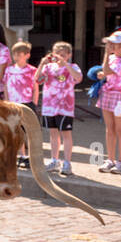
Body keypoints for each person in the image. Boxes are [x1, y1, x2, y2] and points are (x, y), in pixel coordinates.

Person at [36, 41, 81, 176]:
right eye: (57, 54)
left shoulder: (73, 67)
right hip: (49, 106)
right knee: (53, 134)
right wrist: (42, 64)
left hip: (65, 107)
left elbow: (78, 78)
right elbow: (37, 80)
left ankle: (67, 162)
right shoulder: (49, 67)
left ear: (68, 55)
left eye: (63, 54)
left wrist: (65, 64)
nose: (59, 57)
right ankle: (54, 160)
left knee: (66, 134)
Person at [95, 29, 121, 174]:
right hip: (107, 94)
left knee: (120, 130)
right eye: (111, 44)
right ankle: (110, 160)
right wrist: (102, 73)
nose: (112, 46)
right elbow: (106, 72)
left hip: (120, 97)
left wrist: (106, 54)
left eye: (116, 44)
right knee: (109, 129)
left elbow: (107, 70)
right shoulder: (112, 58)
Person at [2, 41, 37, 168]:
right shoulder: (9, 70)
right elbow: (6, 85)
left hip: (27, 103)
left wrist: (34, 102)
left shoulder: (32, 70)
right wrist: (6, 101)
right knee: (16, 131)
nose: (16, 56)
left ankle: (31, 156)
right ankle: (21, 155)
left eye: (19, 54)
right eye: (14, 54)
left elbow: (35, 87)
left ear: (27, 55)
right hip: (13, 103)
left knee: (28, 130)